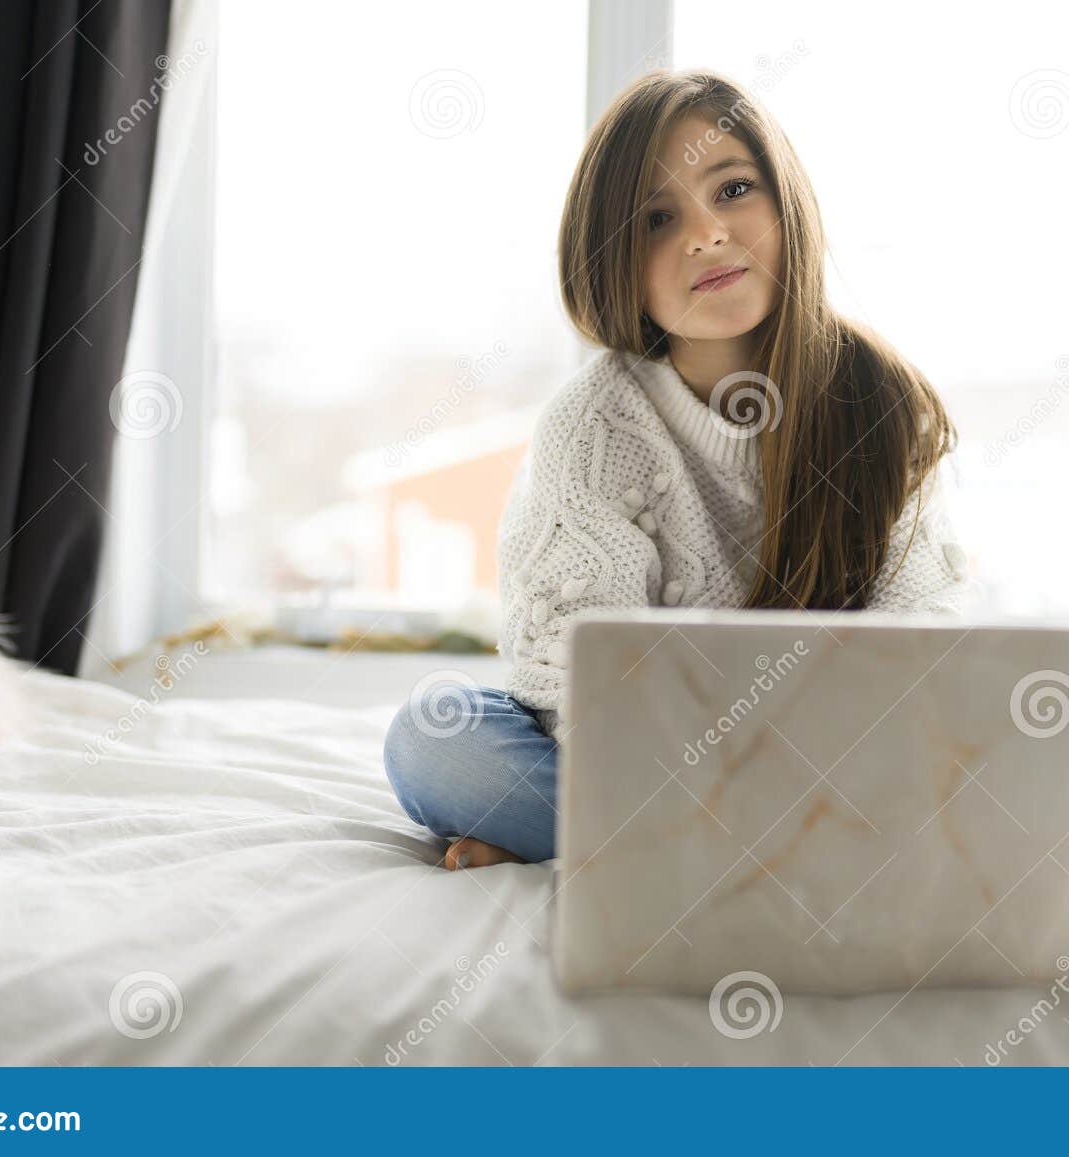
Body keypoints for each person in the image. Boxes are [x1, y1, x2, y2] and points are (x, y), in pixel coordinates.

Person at [384, 69, 970, 869]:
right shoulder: (592, 428)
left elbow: (922, 648)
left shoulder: (884, 401)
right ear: (613, 260)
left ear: (786, 203)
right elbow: (577, 695)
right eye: (658, 217)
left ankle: (621, 852)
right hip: (655, 767)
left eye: (732, 188)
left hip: (830, 765)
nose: (704, 233)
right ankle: (752, 858)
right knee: (436, 735)